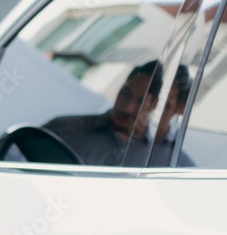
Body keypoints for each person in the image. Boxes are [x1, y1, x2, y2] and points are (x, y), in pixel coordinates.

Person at [43, 60, 194, 166]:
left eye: (148, 104)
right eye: (126, 93)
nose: (127, 108)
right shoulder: (61, 130)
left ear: (181, 109)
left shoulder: (179, 170)